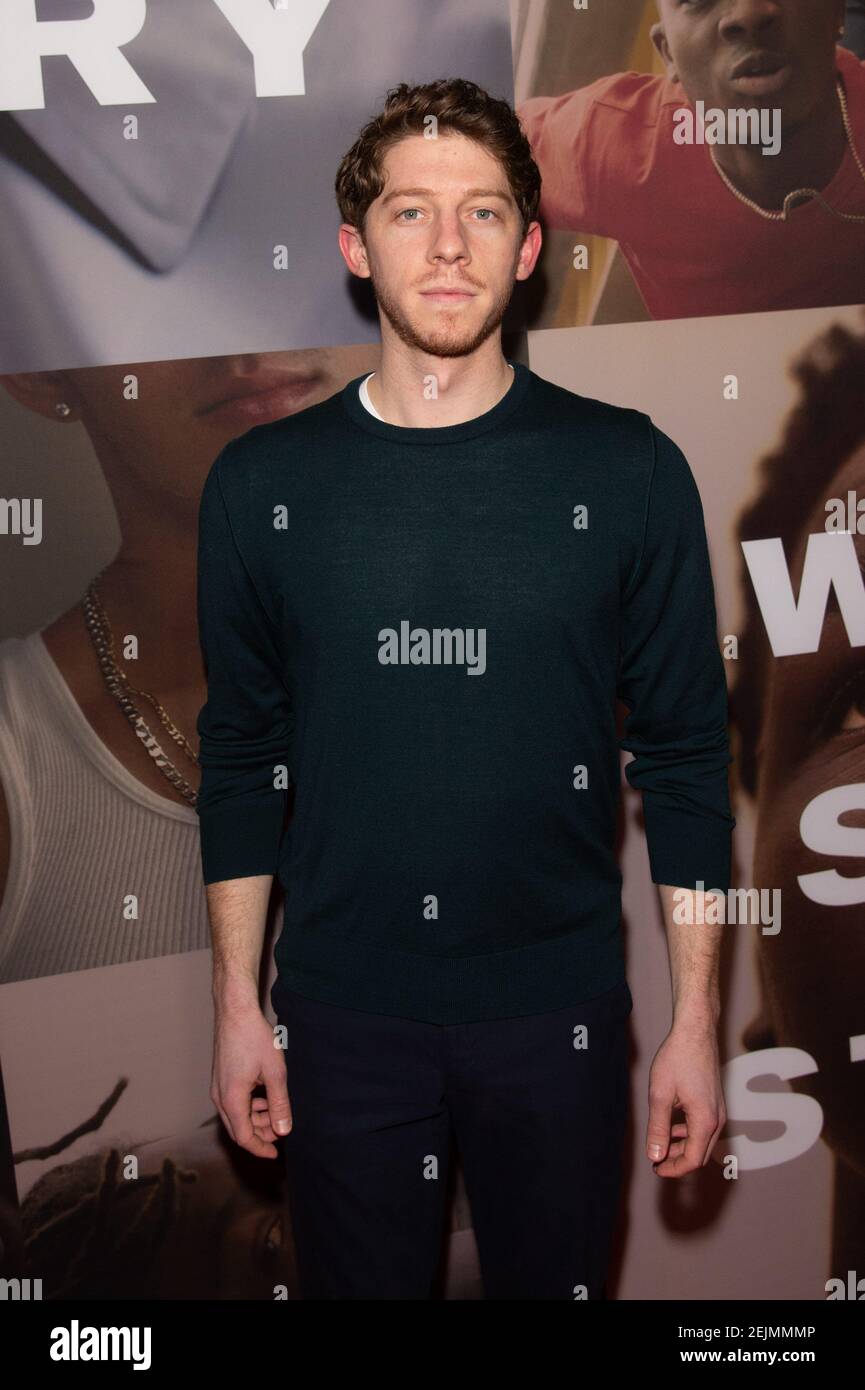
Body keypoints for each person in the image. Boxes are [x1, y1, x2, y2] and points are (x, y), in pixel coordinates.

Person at [195, 77, 736, 1301]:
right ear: (354, 245)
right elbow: (240, 758)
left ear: (531, 246)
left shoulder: (630, 470)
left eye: (484, 213)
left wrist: (697, 1022)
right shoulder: (258, 486)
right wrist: (236, 1004)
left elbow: (688, 761)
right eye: (408, 213)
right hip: (340, 1021)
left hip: (561, 1019)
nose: (447, 247)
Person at [517, 0, 865, 321]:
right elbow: (471, 146)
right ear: (668, 53)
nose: (747, 14)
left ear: (835, 10)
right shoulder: (615, 141)